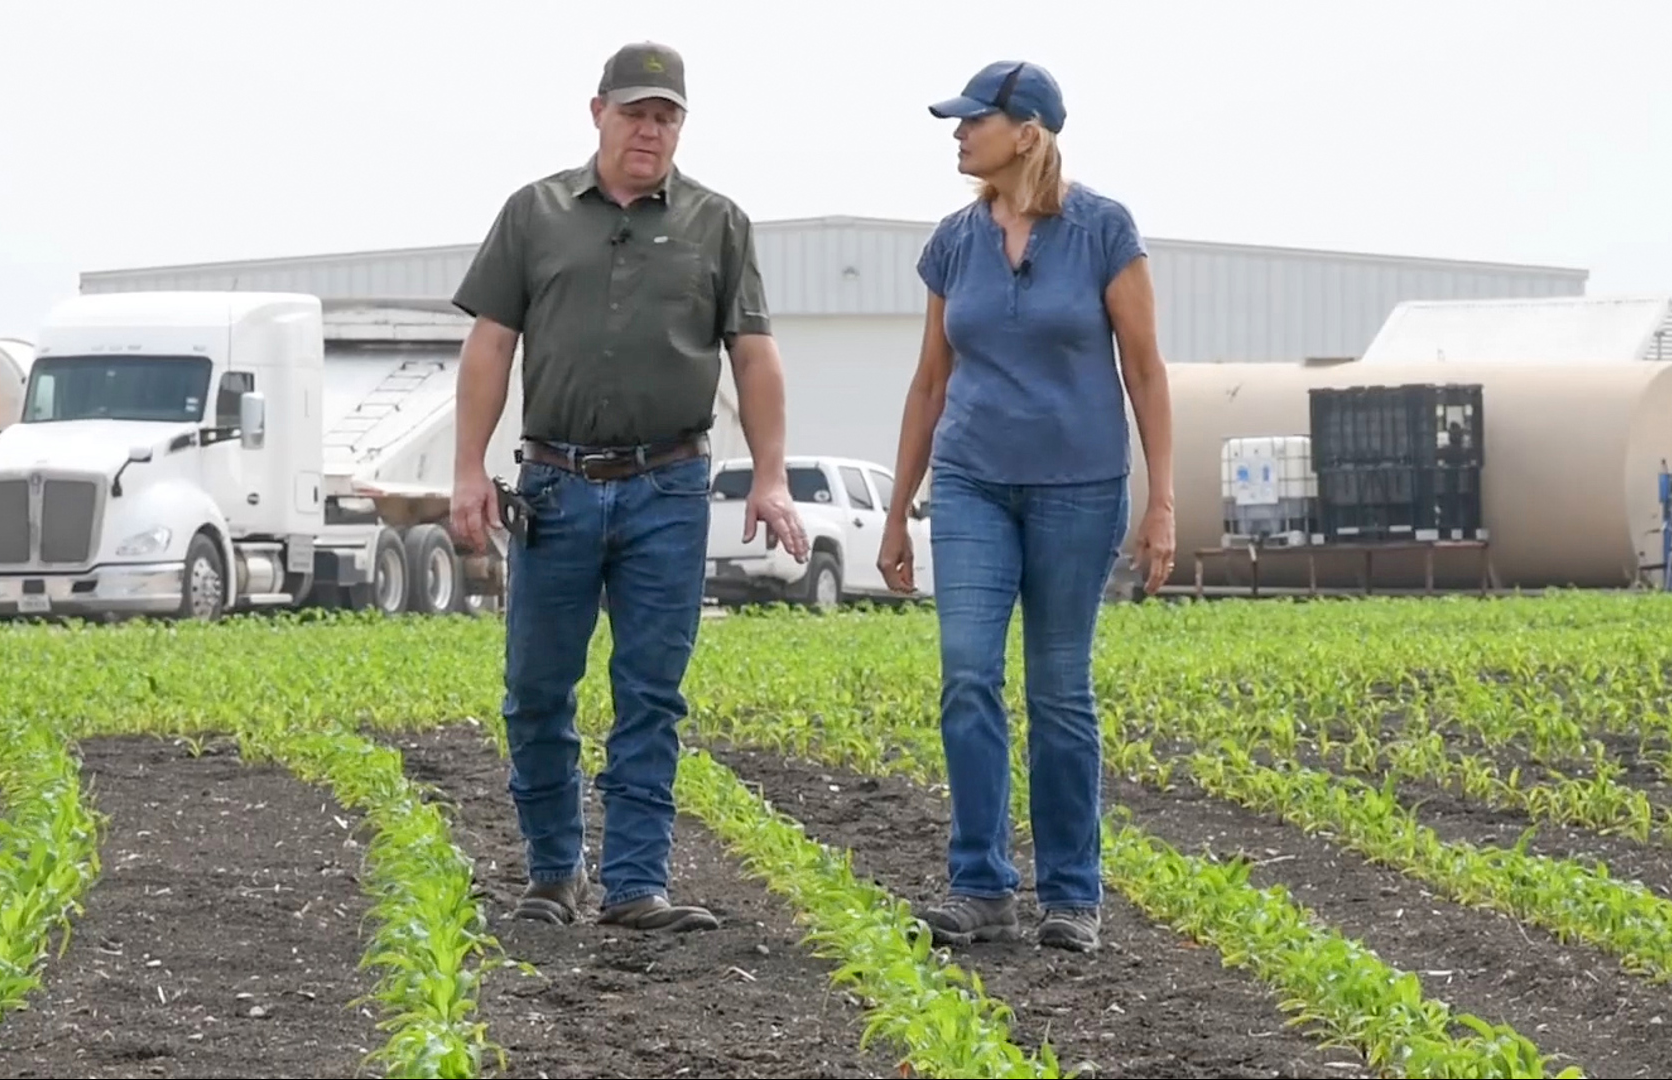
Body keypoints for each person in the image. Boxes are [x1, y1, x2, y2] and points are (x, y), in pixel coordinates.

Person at [448, 41, 810, 932]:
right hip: (556, 484)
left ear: (681, 125)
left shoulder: (718, 223)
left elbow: (754, 356)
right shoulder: (533, 215)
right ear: (598, 111)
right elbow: (490, 347)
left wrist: (771, 476)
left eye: (667, 116)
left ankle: (637, 885)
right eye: (636, 111)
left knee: (651, 692)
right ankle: (551, 875)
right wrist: (466, 468)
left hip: (670, 486)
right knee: (537, 687)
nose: (650, 130)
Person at [876, 60, 1175, 953]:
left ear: (1028, 132)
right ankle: (980, 889)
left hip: (1078, 490)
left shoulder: (1103, 231)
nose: (959, 135)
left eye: (975, 121)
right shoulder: (952, 243)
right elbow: (930, 382)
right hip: (970, 482)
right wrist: (897, 511)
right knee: (968, 675)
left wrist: (1163, 501)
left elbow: (1146, 371)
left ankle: (1072, 897)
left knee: (1058, 692)